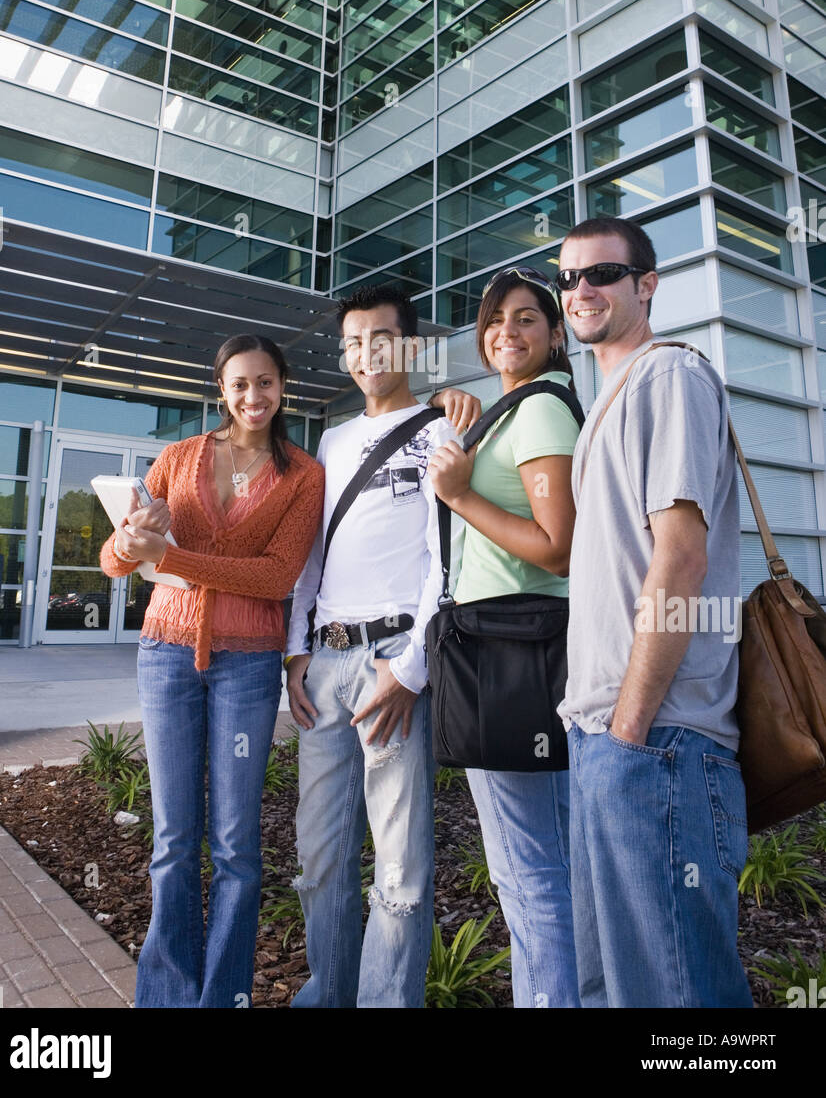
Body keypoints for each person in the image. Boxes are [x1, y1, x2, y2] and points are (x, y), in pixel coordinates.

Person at [555, 216, 752, 1008]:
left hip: (657, 738)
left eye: (602, 274)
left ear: (647, 285)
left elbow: (681, 557)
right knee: (620, 989)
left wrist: (631, 727)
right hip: (609, 735)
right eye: (567, 278)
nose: (581, 291)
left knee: (679, 998)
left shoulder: (668, 376)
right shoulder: (611, 398)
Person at [100, 334, 324, 1008]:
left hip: (249, 665)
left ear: (282, 387)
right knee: (172, 837)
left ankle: (223, 996)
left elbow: (277, 575)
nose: (253, 397)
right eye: (239, 385)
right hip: (167, 655)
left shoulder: (302, 475)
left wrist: (170, 559)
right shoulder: (179, 457)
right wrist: (128, 539)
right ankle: (166, 996)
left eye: (264, 383)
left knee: (235, 844)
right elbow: (117, 565)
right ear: (221, 391)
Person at [285, 284, 461, 1009]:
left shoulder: (442, 428)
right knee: (320, 857)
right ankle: (329, 994)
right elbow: (310, 557)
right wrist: (295, 652)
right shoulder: (329, 440)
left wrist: (412, 669)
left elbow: (443, 559)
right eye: (353, 342)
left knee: (401, 865)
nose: (364, 355)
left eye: (380, 339)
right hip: (323, 664)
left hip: (393, 662)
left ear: (410, 346)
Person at [428, 264, 581, 1009]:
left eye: (526, 318)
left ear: (556, 336)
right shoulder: (509, 410)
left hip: (521, 649)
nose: (507, 332)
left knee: (531, 870)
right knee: (536, 864)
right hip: (502, 645)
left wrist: (457, 495)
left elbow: (557, 545)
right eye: (495, 320)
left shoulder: (544, 412)